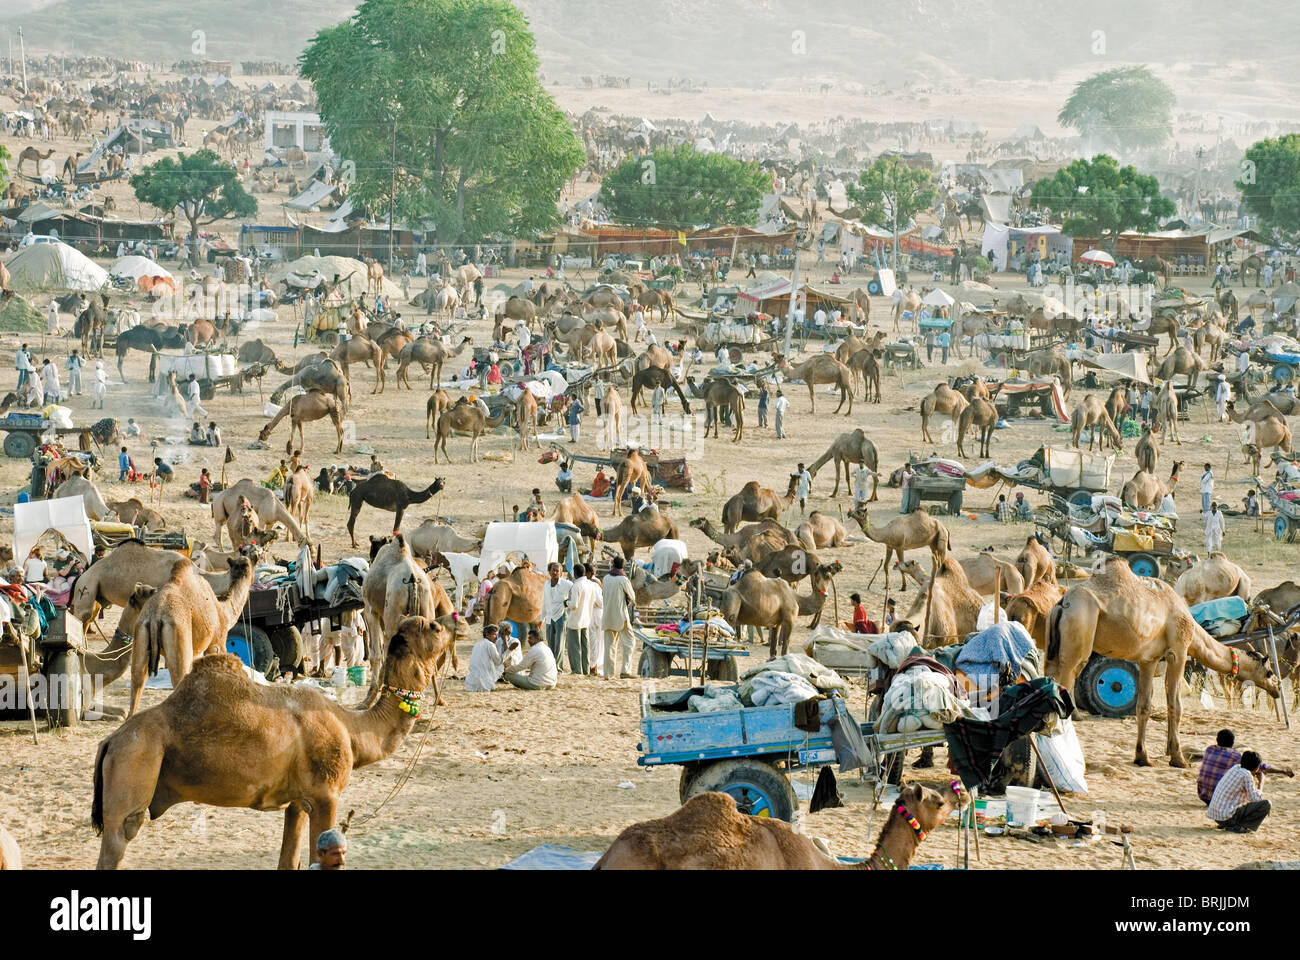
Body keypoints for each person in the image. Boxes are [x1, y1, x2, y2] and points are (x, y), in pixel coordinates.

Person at [1207, 751, 1272, 833]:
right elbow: (1255, 799)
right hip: (1226, 818)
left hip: (1217, 816)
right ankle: (1240, 826)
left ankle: (1229, 824)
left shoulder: (1235, 768)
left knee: (1248, 803)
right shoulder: (1246, 775)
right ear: (1256, 768)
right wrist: (1261, 782)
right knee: (1266, 804)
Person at [601, 557, 638, 679]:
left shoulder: (606, 578)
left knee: (609, 646)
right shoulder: (623, 579)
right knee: (629, 642)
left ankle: (608, 674)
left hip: (607, 616)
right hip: (621, 615)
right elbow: (632, 597)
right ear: (622, 567)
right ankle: (625, 671)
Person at [565, 562, 603, 675]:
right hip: (587, 619)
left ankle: (576, 670)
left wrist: (566, 602)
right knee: (585, 647)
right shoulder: (591, 585)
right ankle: (586, 669)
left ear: (575, 574)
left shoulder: (576, 585)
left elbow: (574, 605)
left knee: (574, 647)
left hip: (575, 620)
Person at [542, 563, 572, 672]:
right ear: (549, 571)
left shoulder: (566, 584)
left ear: (560, 572)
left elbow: (575, 592)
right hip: (549, 617)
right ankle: (551, 667)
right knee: (550, 644)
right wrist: (542, 618)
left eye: (557, 571)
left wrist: (568, 603)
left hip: (560, 616)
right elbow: (544, 601)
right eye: (553, 570)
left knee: (559, 644)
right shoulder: (546, 584)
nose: (554, 572)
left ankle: (558, 668)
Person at [465, 625, 509, 692]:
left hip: (471, 684)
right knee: (501, 665)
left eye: (497, 635)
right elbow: (498, 661)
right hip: (484, 684)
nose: (497, 638)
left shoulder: (477, 644)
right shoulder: (490, 645)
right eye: (494, 635)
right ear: (487, 635)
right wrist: (509, 651)